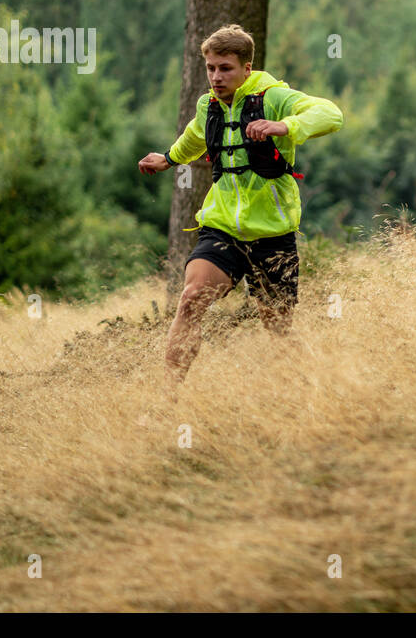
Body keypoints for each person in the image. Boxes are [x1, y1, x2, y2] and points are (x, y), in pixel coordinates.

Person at [138, 24, 342, 394]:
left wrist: (285, 125)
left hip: (272, 233)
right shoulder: (208, 105)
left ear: (246, 68)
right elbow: (194, 138)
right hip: (223, 228)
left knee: (278, 329)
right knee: (190, 299)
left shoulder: (273, 96)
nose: (216, 77)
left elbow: (331, 115)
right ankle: (165, 399)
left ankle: (306, 394)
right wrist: (168, 158)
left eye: (225, 68)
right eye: (211, 68)